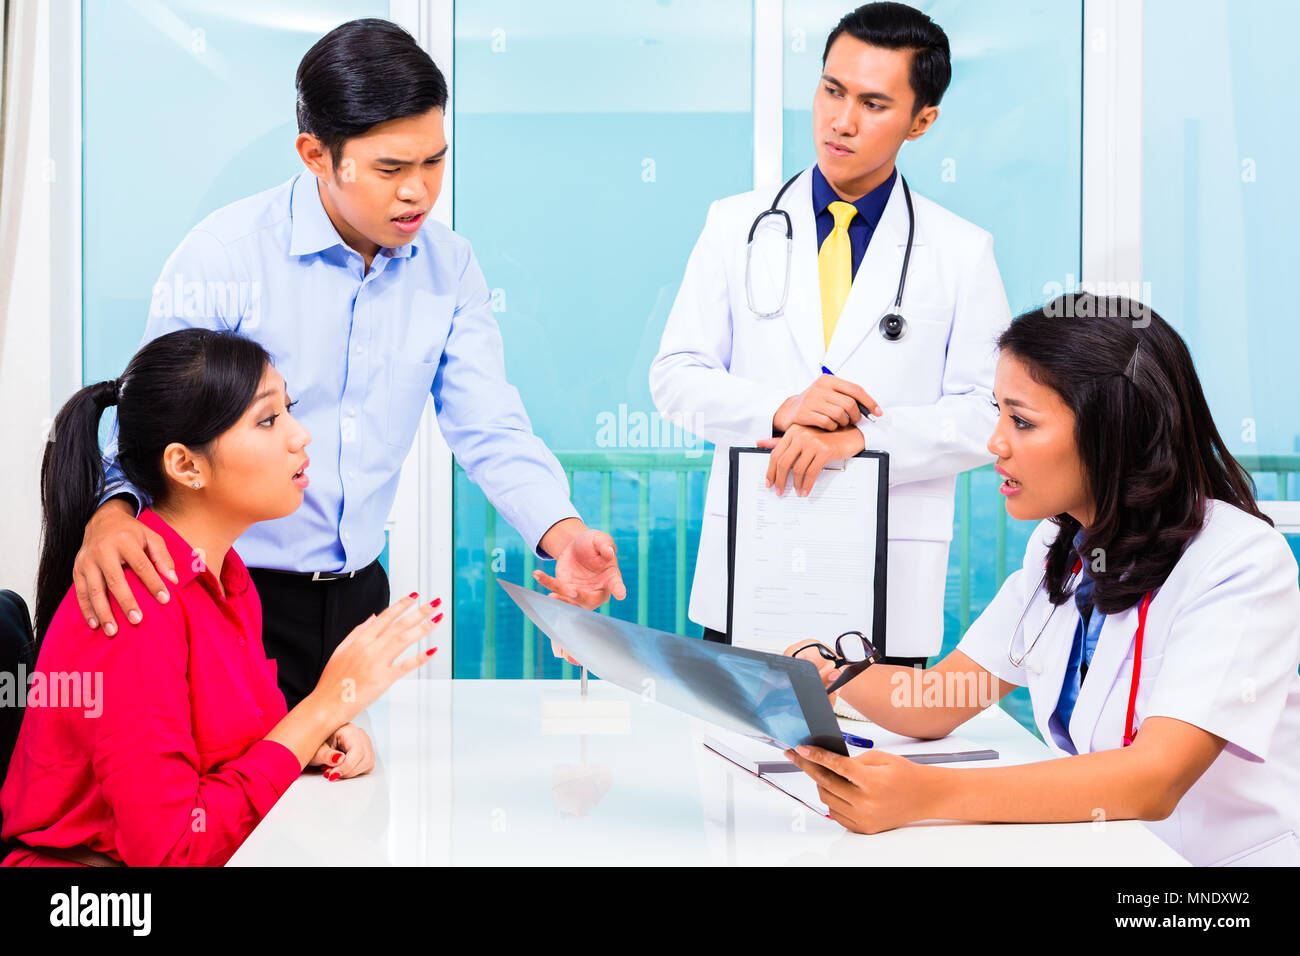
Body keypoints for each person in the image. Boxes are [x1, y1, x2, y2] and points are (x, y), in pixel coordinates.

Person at [70, 19, 623, 706]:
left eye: (434, 162)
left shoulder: (448, 268)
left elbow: (489, 424)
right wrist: (111, 514)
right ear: (315, 154)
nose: (418, 192)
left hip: (360, 602)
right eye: (391, 168)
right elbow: (155, 427)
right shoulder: (225, 257)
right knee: (239, 804)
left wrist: (560, 531)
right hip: (226, 598)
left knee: (353, 802)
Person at [784, 294, 1300, 867]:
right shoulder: (1060, 550)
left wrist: (928, 796)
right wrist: (826, 675)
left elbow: (1154, 780)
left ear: (1115, 432)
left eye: (1022, 421)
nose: (995, 444)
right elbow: (937, 699)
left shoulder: (1240, 561)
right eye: (999, 414)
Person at [649, 2, 1009, 667]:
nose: (841, 121)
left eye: (874, 104)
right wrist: (782, 408)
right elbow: (676, 377)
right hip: (751, 567)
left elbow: (988, 413)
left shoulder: (962, 252)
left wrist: (859, 439)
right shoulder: (735, 226)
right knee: (732, 763)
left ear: (921, 121)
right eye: (831, 91)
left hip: (885, 586)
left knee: (873, 765)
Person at [2, 329, 440, 866]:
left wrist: (314, 740)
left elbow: (240, 752)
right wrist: (327, 703)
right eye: (268, 419)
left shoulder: (228, 577)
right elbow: (171, 851)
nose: (300, 436)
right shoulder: (137, 602)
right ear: (186, 466)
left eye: (289, 409)